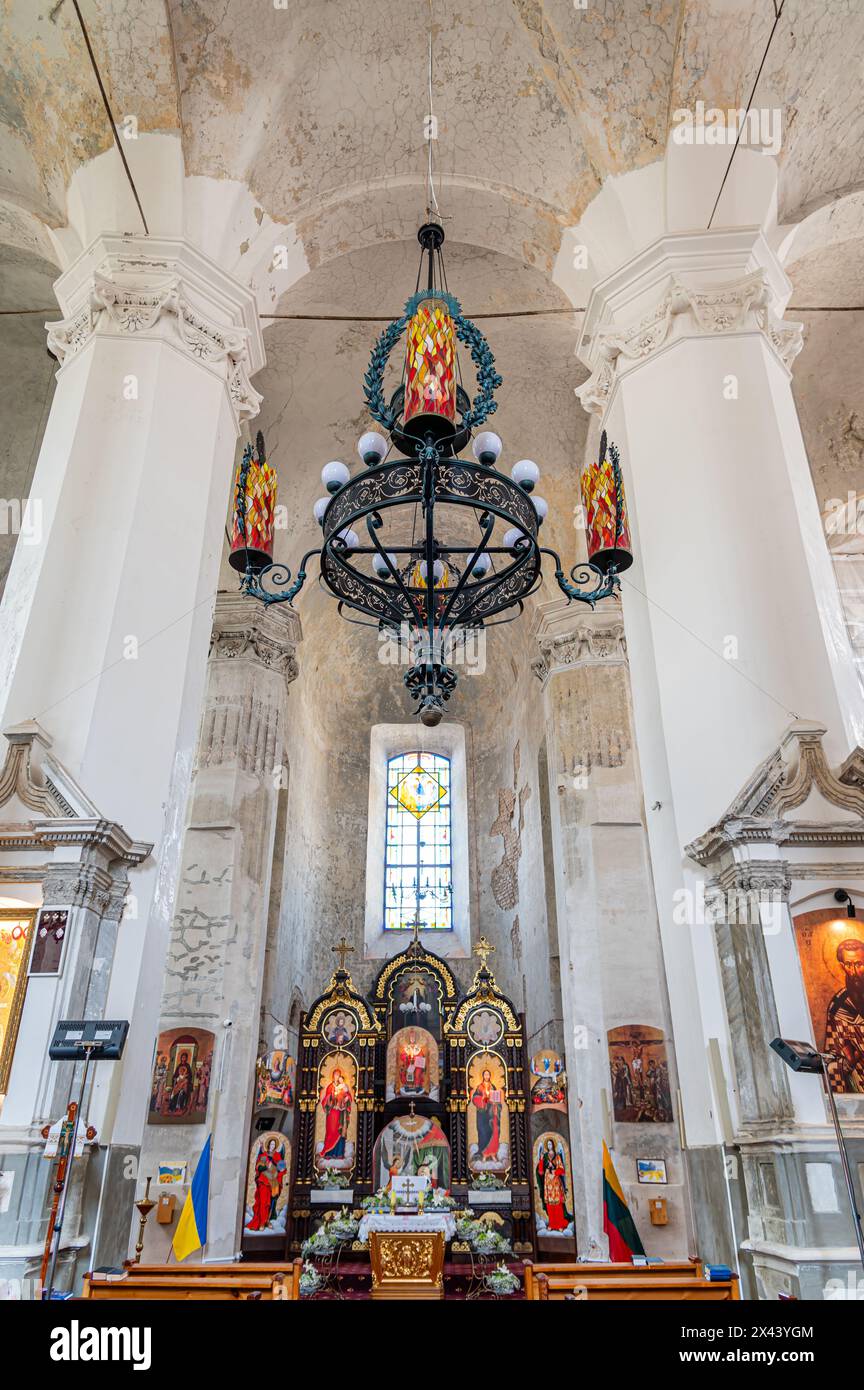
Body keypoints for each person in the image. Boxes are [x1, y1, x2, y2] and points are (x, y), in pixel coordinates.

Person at [825, 939, 864, 1092]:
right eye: (848, 964)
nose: (853, 971)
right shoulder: (839, 1007)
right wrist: (848, 1062)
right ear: (842, 966)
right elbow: (831, 1058)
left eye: (859, 964)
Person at [246, 1137, 286, 1231]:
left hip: (274, 1183)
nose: (272, 1146)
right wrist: (267, 1167)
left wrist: (275, 1168)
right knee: (264, 1202)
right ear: (268, 1145)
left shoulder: (277, 1155)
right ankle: (262, 1223)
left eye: (273, 1144)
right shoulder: (264, 1155)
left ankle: (267, 1220)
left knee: (271, 1203)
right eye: (271, 1144)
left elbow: (282, 1168)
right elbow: (259, 1167)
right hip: (264, 1181)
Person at [536, 1138, 570, 1233]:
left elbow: (562, 1170)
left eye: (551, 1144)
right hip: (548, 1182)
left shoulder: (557, 1156)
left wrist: (554, 1170)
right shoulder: (545, 1156)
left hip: (555, 1181)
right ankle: (551, 1223)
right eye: (548, 1145)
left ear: (554, 1145)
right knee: (550, 1204)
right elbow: (541, 1172)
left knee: (557, 1204)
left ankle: (559, 1224)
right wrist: (542, 1160)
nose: (550, 1146)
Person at [319, 1067, 352, 1160]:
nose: (337, 1076)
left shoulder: (343, 1086)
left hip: (340, 1113)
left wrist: (346, 1098)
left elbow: (348, 1096)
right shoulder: (330, 1086)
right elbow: (326, 1100)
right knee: (331, 1131)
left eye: (338, 1075)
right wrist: (332, 1097)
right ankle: (329, 1153)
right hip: (332, 1113)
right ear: (333, 1076)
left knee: (340, 1131)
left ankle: (339, 1153)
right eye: (335, 1074)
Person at [471, 1067, 503, 1160]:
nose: (486, 1076)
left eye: (488, 1074)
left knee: (492, 1131)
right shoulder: (479, 1087)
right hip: (482, 1114)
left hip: (491, 1113)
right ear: (482, 1076)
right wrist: (483, 1099)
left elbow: (497, 1100)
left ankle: (492, 1152)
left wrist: (495, 1103)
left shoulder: (493, 1087)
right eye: (485, 1074)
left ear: (490, 1076)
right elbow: (474, 1098)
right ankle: (482, 1152)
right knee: (482, 1132)